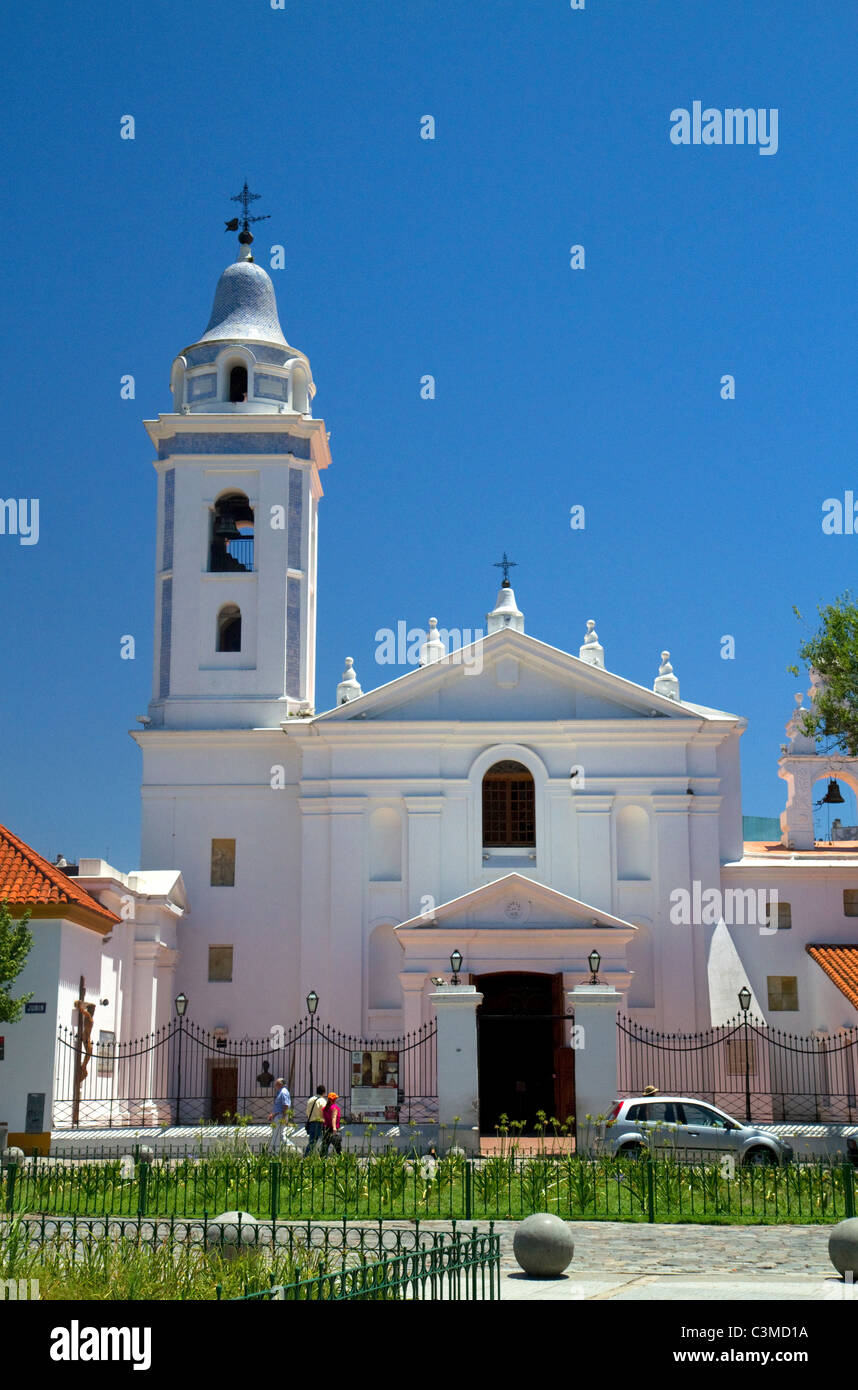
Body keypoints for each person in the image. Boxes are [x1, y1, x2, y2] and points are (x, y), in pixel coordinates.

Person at [268, 1077, 292, 1153]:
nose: (275, 1085)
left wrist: (284, 1118)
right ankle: (274, 1151)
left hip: (280, 1116)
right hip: (278, 1116)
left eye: (276, 1084)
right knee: (278, 1135)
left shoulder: (283, 1092)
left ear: (280, 1084)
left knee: (277, 1135)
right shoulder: (280, 1092)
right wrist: (273, 1114)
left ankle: (276, 1152)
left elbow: (285, 1105)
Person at [304, 1084, 326, 1155]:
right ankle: (307, 1156)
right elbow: (324, 1112)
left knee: (312, 1141)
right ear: (323, 1092)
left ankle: (308, 1157)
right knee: (324, 1142)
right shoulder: (322, 1101)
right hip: (319, 1123)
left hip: (311, 1122)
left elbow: (307, 1112)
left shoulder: (310, 1099)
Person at [321, 1091, 342, 1157]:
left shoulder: (325, 1108)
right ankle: (341, 1160)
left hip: (326, 1129)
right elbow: (334, 1118)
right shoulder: (334, 1108)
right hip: (333, 1129)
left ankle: (322, 1161)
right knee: (338, 1147)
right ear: (334, 1099)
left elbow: (323, 1118)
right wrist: (334, 1128)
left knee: (325, 1146)